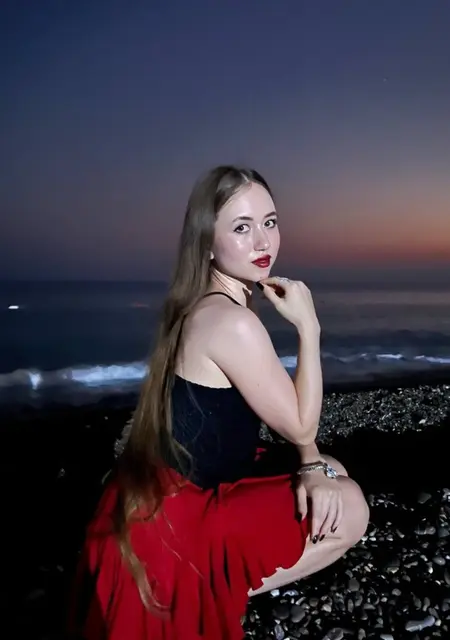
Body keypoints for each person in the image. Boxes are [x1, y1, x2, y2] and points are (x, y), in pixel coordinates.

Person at [68, 166, 369, 640]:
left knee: (330, 470)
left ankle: (216, 581)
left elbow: (299, 434)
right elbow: (301, 426)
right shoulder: (232, 323)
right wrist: (308, 328)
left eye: (270, 222)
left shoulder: (205, 302)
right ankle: (210, 587)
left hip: (165, 492)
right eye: (242, 227)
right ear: (207, 242)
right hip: (176, 522)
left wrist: (313, 465)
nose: (263, 241)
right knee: (350, 507)